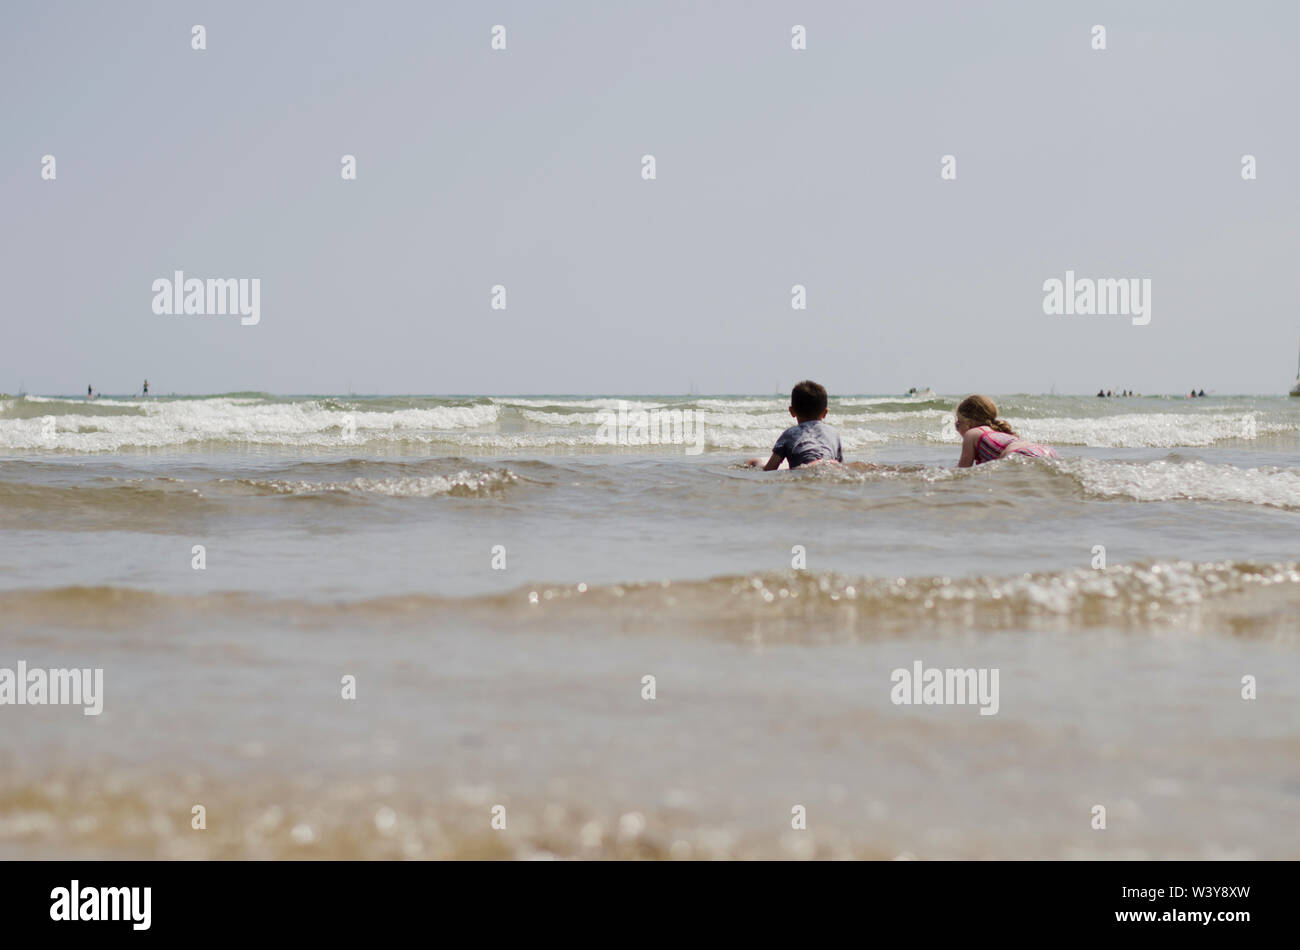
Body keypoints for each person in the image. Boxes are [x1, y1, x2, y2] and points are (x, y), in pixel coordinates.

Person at [748, 380, 843, 470]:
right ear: (825, 413)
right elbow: (841, 465)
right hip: (829, 468)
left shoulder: (789, 434)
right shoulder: (834, 433)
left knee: (754, 462)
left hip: (803, 470)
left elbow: (770, 468)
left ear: (791, 411)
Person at [954, 395, 1059, 467]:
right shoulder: (999, 433)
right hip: (1047, 452)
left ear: (969, 423)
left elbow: (962, 470)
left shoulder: (971, 434)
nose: (957, 429)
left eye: (958, 423)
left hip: (1019, 453)